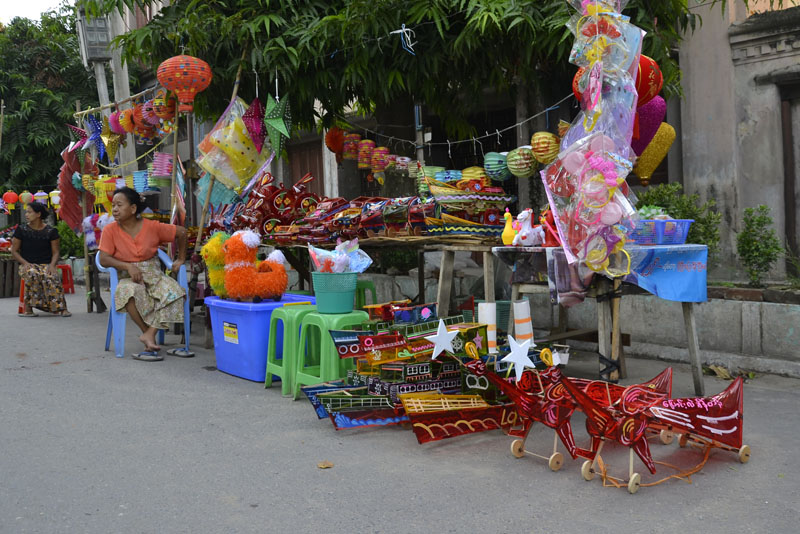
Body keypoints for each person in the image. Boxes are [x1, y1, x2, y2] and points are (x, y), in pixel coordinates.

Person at [98, 187, 188, 361]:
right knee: (128, 292)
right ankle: (146, 333)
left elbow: (182, 232)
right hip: (129, 277)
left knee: (175, 292)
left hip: (155, 275)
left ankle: (150, 333)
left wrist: (181, 259)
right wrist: (128, 266)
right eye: (113, 205)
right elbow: (103, 259)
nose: (114, 209)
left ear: (133, 209)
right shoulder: (110, 230)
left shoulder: (152, 226)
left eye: (119, 205)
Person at [10, 201, 71, 317]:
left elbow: (56, 252)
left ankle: (62, 308)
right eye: (26, 212)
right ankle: (28, 310)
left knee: (52, 276)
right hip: (27, 264)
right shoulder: (21, 230)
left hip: (46, 264)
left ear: (38, 214)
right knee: (32, 273)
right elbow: (14, 251)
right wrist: (25, 263)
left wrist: (52, 265)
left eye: (29, 212)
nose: (26, 215)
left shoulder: (51, 231)